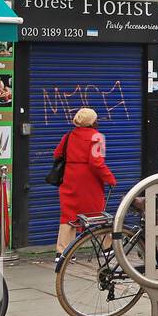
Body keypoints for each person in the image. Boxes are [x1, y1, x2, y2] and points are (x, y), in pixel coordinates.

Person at [53, 107, 116, 265]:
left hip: (69, 177)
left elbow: (57, 154)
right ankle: (107, 247)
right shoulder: (97, 137)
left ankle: (62, 252)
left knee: (68, 214)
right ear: (92, 122)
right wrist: (110, 178)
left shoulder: (68, 136)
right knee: (95, 213)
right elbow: (96, 163)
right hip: (88, 180)